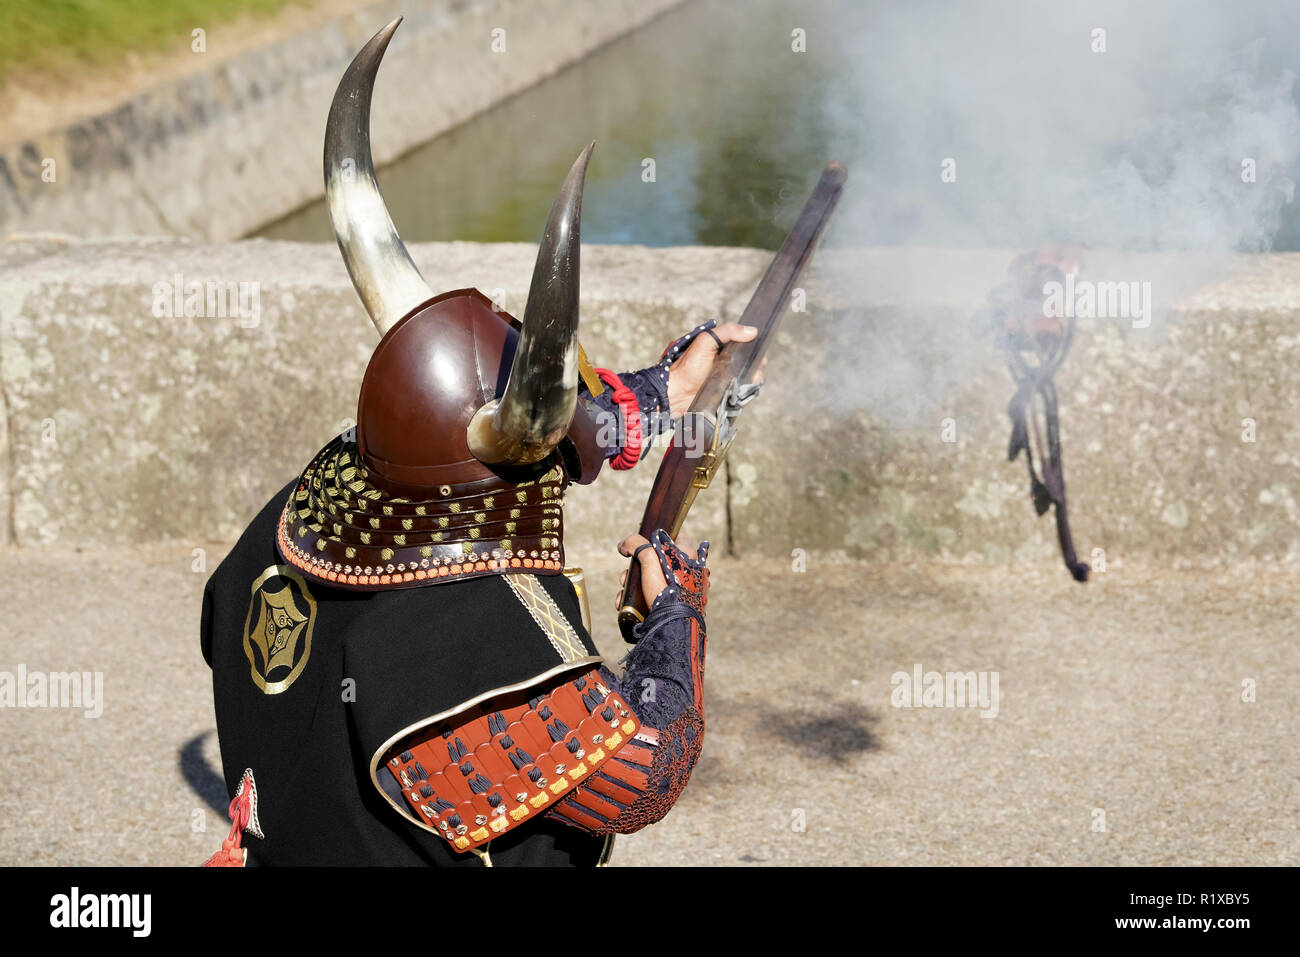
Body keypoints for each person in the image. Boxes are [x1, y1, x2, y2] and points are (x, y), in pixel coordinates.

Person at [200, 17, 754, 866]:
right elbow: (647, 769)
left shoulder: (308, 513)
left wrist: (658, 396)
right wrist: (674, 617)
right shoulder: (473, 661)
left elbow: (504, 440)